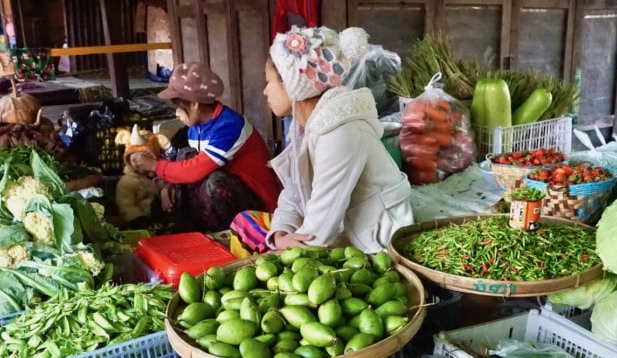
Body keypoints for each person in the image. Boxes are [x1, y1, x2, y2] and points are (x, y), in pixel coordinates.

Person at [264, 25, 413, 253]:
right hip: (342, 231)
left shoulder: (341, 132)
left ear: (293, 85)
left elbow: (319, 229)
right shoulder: (303, 125)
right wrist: (280, 234)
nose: (265, 92)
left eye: (269, 82)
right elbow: (294, 193)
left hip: (377, 243)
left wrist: (281, 250)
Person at [129, 62, 282, 233]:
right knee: (185, 156)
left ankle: (232, 235)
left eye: (178, 107)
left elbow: (195, 170)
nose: (176, 113)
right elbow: (187, 165)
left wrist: (154, 166)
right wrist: (168, 184)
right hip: (231, 192)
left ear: (194, 104)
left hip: (258, 203)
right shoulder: (196, 128)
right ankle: (188, 229)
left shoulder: (230, 126)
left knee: (214, 182)